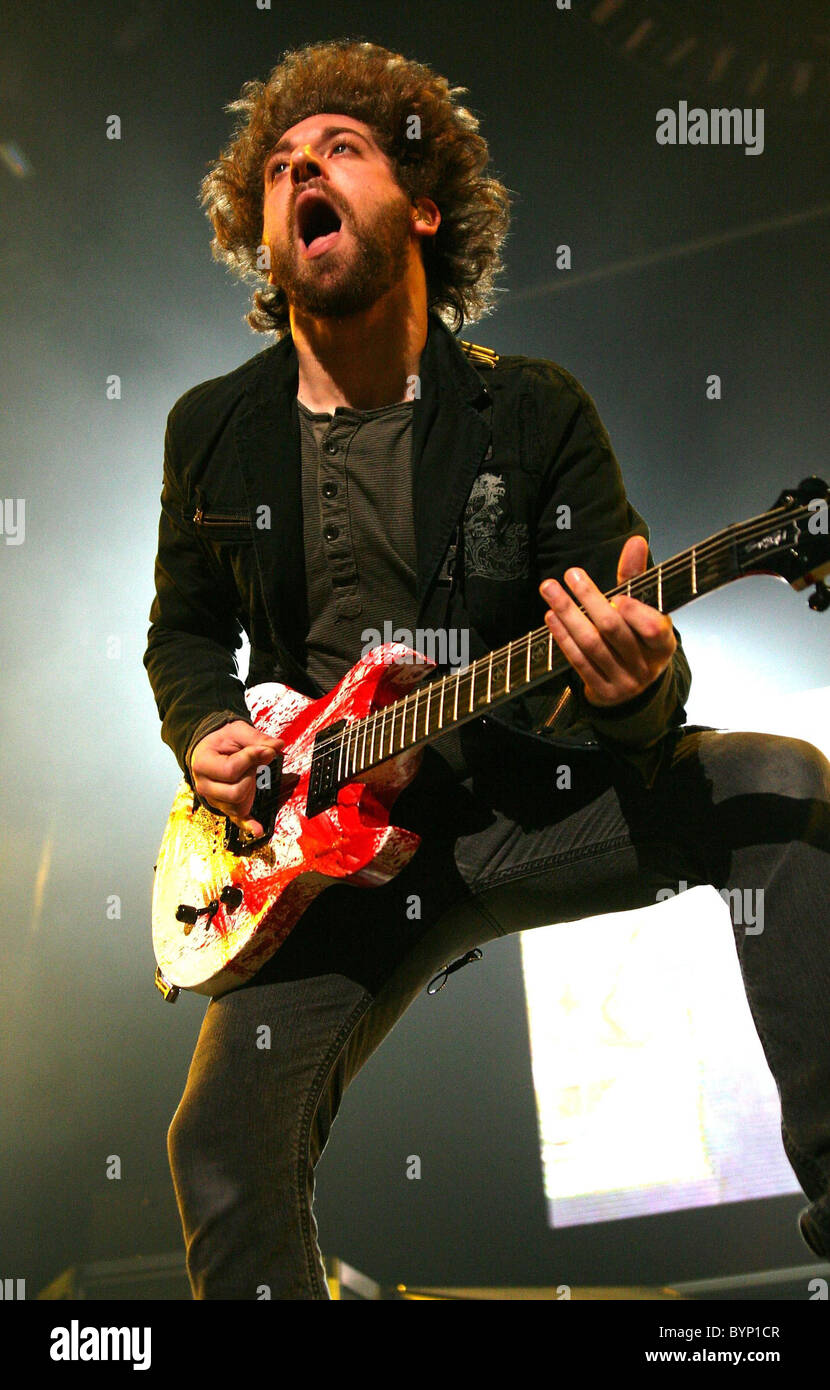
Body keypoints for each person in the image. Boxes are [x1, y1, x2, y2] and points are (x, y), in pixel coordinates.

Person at [143, 39, 830, 1299]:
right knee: (217, 1147)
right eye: (282, 163)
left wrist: (633, 691)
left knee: (776, 786)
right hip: (321, 854)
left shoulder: (531, 413)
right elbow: (184, 634)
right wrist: (203, 732)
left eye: (338, 148)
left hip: (524, 808)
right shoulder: (213, 429)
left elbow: (620, 665)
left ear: (419, 203)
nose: (302, 169)